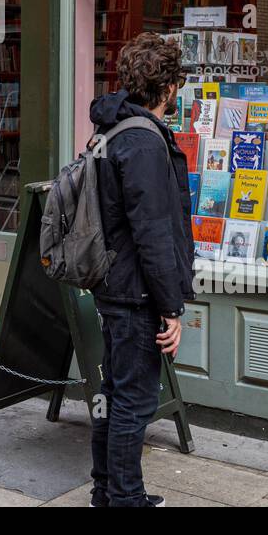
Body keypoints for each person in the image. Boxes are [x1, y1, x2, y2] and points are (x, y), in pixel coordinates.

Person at [87, 32, 194, 507]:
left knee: (113, 395)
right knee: (132, 401)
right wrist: (171, 307)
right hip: (135, 293)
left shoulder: (110, 130)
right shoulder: (145, 142)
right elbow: (154, 234)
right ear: (168, 87)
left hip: (112, 283)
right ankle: (126, 499)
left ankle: (106, 491)